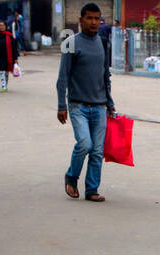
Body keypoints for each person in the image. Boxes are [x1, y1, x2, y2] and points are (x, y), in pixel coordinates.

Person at [57, 3, 115, 202]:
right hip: (77, 105)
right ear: (80, 21)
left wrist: (110, 103)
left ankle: (92, 189)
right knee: (85, 144)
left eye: (96, 18)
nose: (93, 22)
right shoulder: (71, 43)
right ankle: (71, 176)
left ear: (101, 21)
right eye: (89, 18)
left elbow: (105, 76)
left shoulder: (104, 43)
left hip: (99, 106)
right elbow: (62, 77)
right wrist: (61, 105)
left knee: (97, 151)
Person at [0, 19, 20, 90]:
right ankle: (3, 86)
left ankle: (5, 84)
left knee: (6, 72)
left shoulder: (10, 36)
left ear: (5, 26)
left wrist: (15, 59)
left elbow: (14, 48)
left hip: (8, 57)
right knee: (2, 71)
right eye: (0, 26)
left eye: (2, 25)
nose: (1, 27)